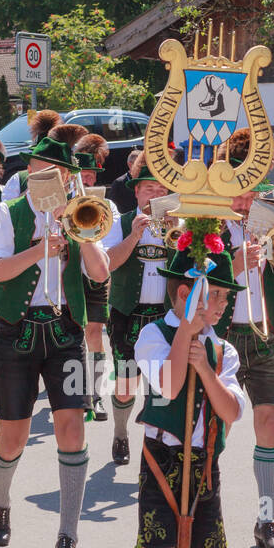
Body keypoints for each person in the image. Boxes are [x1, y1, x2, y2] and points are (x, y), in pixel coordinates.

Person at [0, 123, 110, 548]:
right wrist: (41, 249)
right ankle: (0, 500)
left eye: (61, 171)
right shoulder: (5, 213)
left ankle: (68, 535)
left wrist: (82, 230)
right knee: (12, 435)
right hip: (15, 333)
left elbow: (98, 274)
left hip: (65, 335)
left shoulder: (83, 213)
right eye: (45, 168)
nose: (52, 177)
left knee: (72, 429)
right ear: (31, 169)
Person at [129, 248, 246, 548]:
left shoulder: (224, 350)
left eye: (223, 299)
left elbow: (233, 412)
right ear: (186, 293)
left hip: (203, 467)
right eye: (214, 297)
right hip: (161, 461)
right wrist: (186, 340)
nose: (221, 307)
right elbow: (170, 387)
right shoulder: (152, 335)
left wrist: (205, 366)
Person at [216, 129, 274, 548]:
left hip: (266, 333)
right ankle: (204, 516)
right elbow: (195, 280)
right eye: (249, 180)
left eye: (263, 179)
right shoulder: (209, 213)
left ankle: (266, 518)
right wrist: (237, 260)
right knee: (211, 430)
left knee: (268, 421)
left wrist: (273, 251)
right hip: (221, 334)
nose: (255, 191)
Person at [100, 148, 171, 465]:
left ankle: (155, 445)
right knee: (127, 384)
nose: (155, 195)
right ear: (137, 192)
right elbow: (109, 265)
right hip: (128, 313)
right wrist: (133, 236)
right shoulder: (122, 221)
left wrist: (179, 237)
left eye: (161, 190)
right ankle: (120, 432)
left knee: (162, 384)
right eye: (148, 189)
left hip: (164, 316)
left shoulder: (176, 226)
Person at [73, 132, 118, 423]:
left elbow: (108, 252)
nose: (86, 182)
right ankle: (76, 392)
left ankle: (96, 394)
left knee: (94, 334)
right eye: (82, 176)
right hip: (68, 276)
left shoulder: (109, 207)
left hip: (95, 278)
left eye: (90, 177)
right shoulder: (63, 204)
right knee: (73, 336)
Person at [0, 110, 61, 202]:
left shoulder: (67, 178)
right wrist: (28, 193)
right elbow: (6, 209)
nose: (46, 162)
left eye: (50, 157)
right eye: (40, 156)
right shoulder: (18, 179)